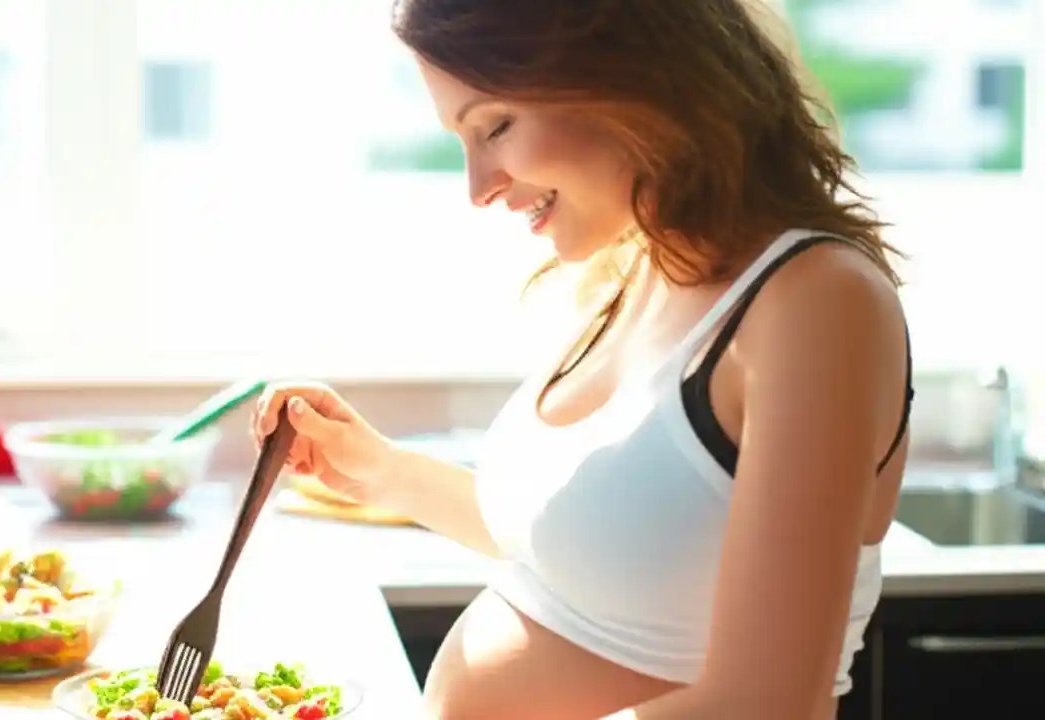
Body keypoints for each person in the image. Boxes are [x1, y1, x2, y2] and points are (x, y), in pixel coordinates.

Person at [252, 1, 914, 718]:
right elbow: (592, 551)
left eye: (495, 127)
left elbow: (763, 702)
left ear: (630, 74)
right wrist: (380, 471)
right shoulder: (640, 270)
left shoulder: (817, 303)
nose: (479, 188)